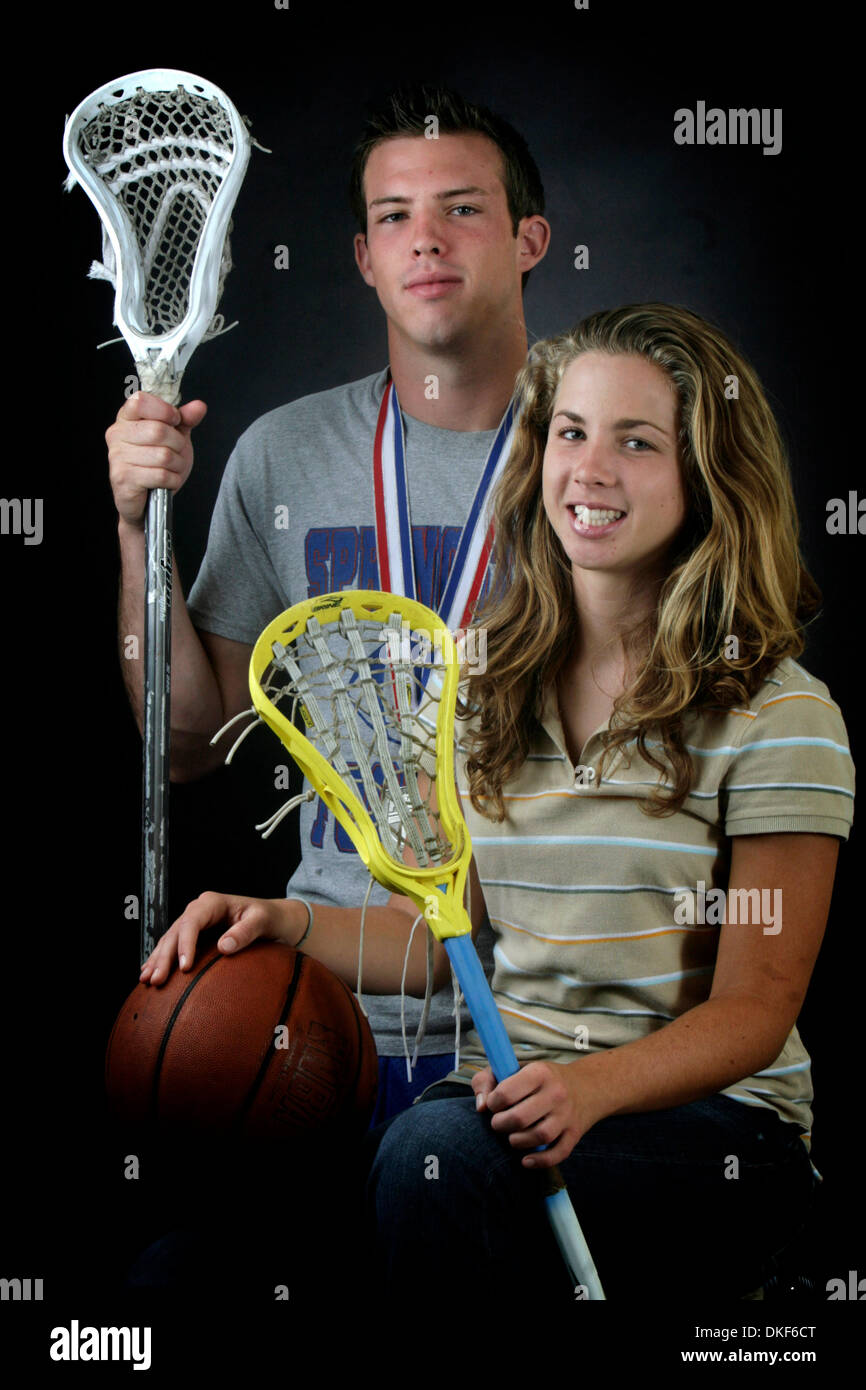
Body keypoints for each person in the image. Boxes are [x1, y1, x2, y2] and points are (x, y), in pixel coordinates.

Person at [152, 303, 853, 1302]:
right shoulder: (477, 682)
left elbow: (753, 1011)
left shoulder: (779, 713)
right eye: (570, 432)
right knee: (184, 1272)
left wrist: (585, 1088)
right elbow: (437, 940)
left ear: (706, 475)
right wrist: (279, 922)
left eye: (636, 442)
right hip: (497, 1115)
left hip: (714, 1130)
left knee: (433, 1159)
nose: (589, 470)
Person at [111, 84, 551, 1121]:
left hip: (547, 1025)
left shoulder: (604, 452)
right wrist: (137, 531)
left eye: (462, 208)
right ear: (363, 257)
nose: (425, 239)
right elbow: (185, 746)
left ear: (530, 239)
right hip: (322, 1016)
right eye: (394, 216)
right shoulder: (284, 454)